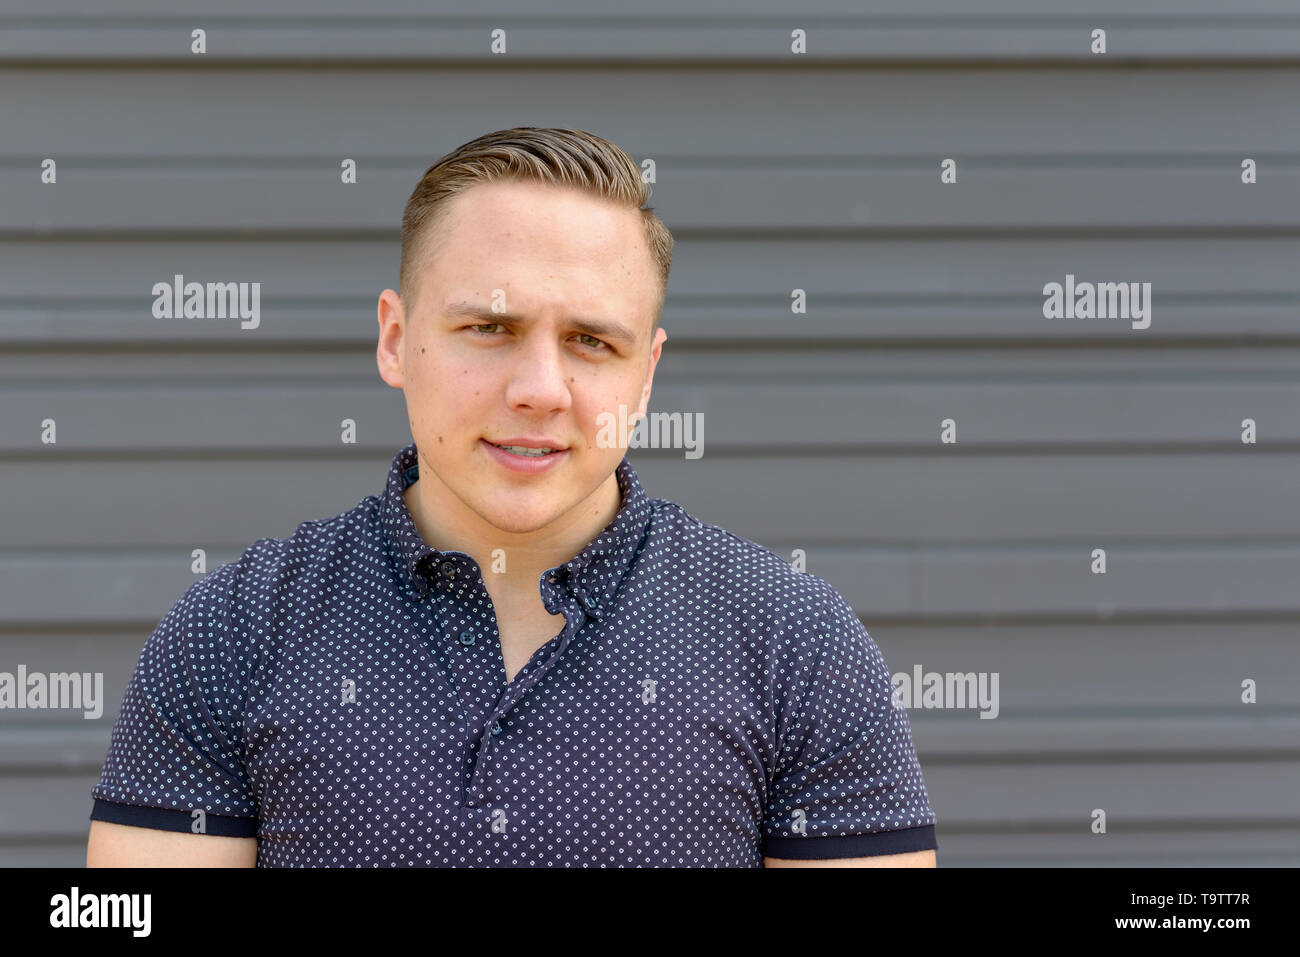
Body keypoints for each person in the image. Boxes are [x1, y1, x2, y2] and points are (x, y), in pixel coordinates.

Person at [86, 127, 938, 867]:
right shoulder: (231, 633)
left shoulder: (796, 645)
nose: (540, 389)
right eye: (489, 328)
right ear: (395, 338)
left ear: (646, 377)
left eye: (591, 340)